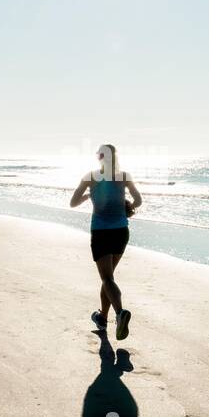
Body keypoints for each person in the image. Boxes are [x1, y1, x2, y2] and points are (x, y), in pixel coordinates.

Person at [69, 143, 141, 340]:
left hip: (101, 232)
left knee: (107, 279)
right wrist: (128, 208)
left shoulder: (90, 177)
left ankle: (120, 313)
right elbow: (138, 200)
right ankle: (102, 317)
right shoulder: (124, 176)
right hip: (121, 231)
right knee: (108, 278)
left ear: (99, 157)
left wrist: (87, 195)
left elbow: (73, 203)